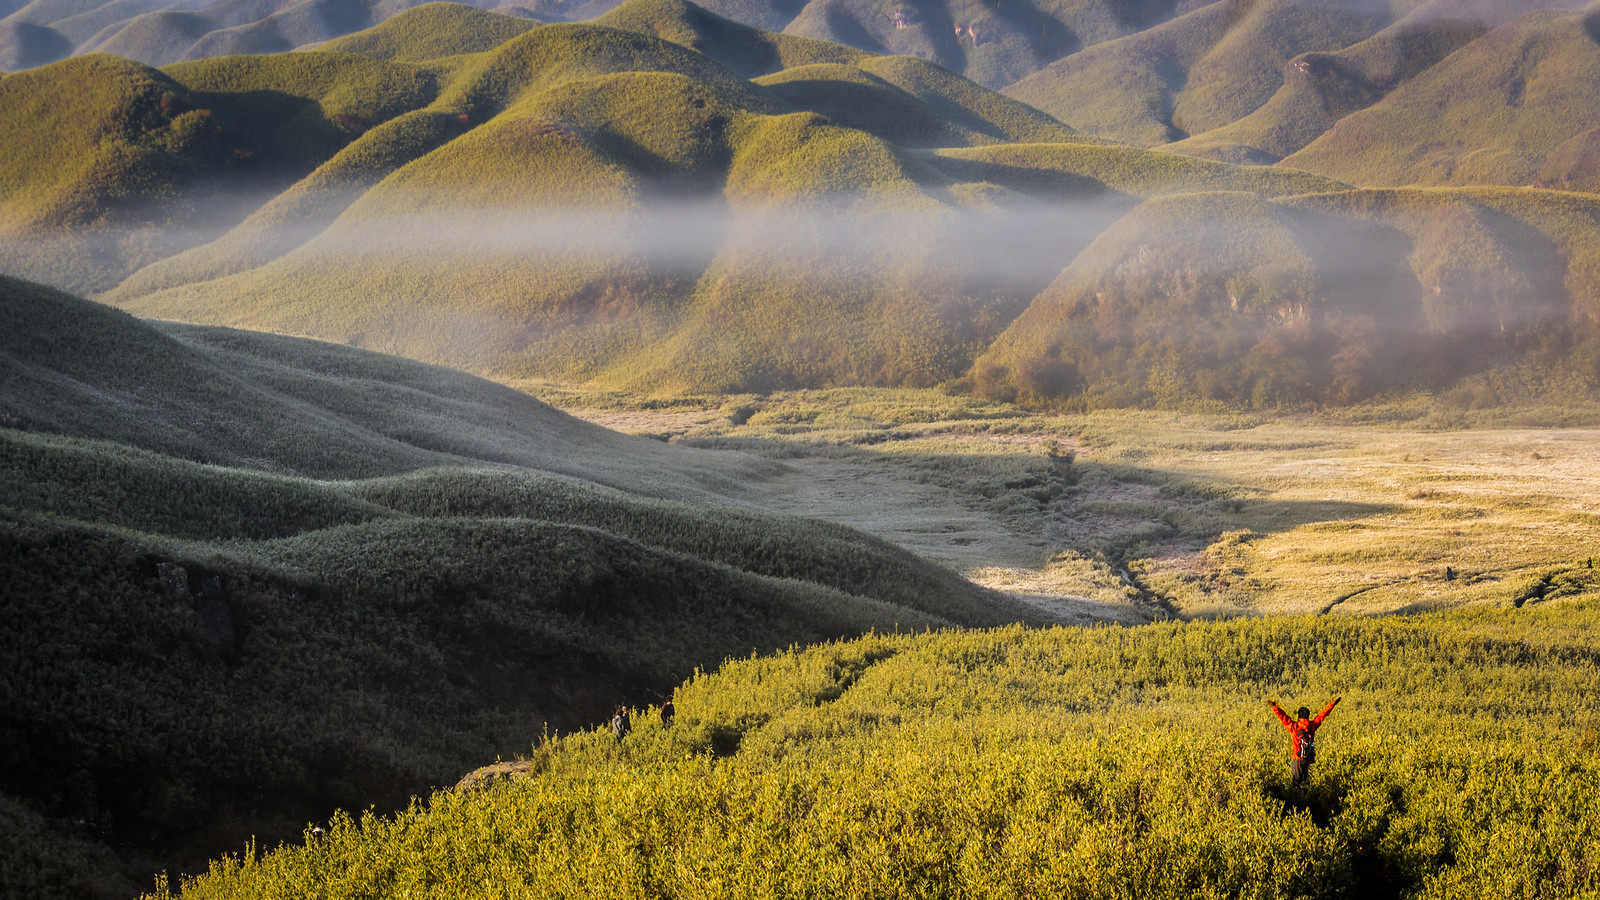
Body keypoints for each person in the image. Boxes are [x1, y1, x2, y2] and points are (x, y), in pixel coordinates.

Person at [1269, 696, 1339, 784]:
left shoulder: (1294, 727)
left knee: (1296, 783)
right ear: (1308, 716)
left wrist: (1274, 706)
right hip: (1308, 758)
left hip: (1297, 758)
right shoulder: (1312, 726)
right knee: (1307, 782)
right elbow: (1322, 715)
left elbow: (1283, 717)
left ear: (1299, 716)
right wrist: (1332, 705)